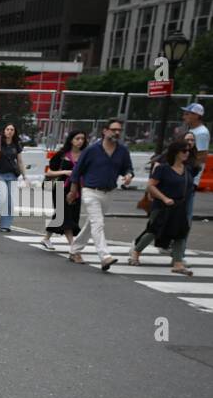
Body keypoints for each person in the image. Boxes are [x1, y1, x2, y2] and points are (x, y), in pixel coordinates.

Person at [68, 119, 134, 270]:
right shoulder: (92, 150)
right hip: (90, 191)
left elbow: (128, 168)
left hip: (108, 192)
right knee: (98, 223)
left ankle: (74, 250)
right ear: (105, 131)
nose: (117, 132)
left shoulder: (122, 151)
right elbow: (77, 171)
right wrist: (73, 191)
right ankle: (104, 256)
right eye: (114, 129)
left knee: (92, 223)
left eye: (119, 130)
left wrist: (129, 175)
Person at [130, 140, 195, 276]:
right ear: (176, 153)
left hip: (179, 206)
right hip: (163, 206)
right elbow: (151, 186)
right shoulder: (163, 168)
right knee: (154, 231)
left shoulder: (187, 169)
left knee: (180, 233)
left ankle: (178, 263)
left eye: (188, 151)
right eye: (184, 151)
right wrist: (164, 198)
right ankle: (135, 253)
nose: (187, 153)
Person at [42, 131, 86, 249]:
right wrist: (65, 172)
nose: (80, 141)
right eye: (77, 138)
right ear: (71, 140)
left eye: (82, 138)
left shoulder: (85, 155)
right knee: (65, 216)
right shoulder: (62, 155)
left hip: (77, 189)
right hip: (61, 187)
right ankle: (73, 245)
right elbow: (49, 172)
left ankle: (46, 238)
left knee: (63, 215)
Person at [176, 103, 208, 222]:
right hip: (185, 175)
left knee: (185, 211)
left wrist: (194, 180)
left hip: (189, 177)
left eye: (187, 114)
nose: (184, 116)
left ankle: (182, 238)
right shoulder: (193, 130)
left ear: (196, 116)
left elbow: (200, 157)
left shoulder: (201, 133)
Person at [0, 123, 25, 232]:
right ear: (4, 131)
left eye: (12, 129)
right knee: (2, 196)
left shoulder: (16, 145)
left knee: (10, 201)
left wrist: (25, 176)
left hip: (12, 175)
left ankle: (5, 225)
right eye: (7, 129)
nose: (10, 131)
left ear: (14, 132)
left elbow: (20, 161)